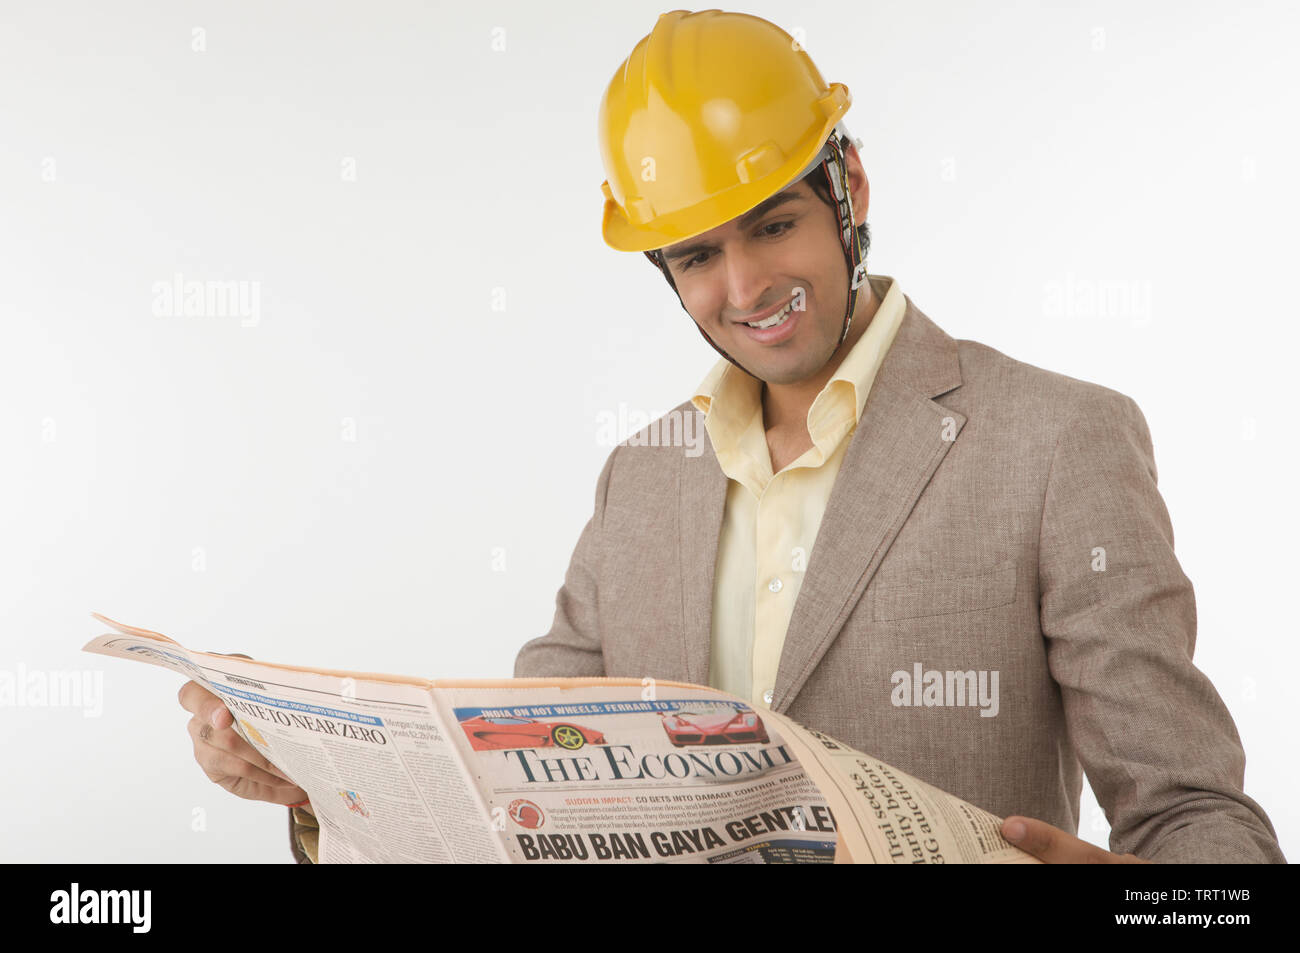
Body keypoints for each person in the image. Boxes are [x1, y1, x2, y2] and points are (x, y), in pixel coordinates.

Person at [179, 9, 1285, 865]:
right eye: (697, 255)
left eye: (774, 225)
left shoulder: (1056, 441)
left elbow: (1195, 813)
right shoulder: (641, 473)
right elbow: (514, 794)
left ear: (846, 188)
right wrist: (318, 784)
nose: (746, 285)